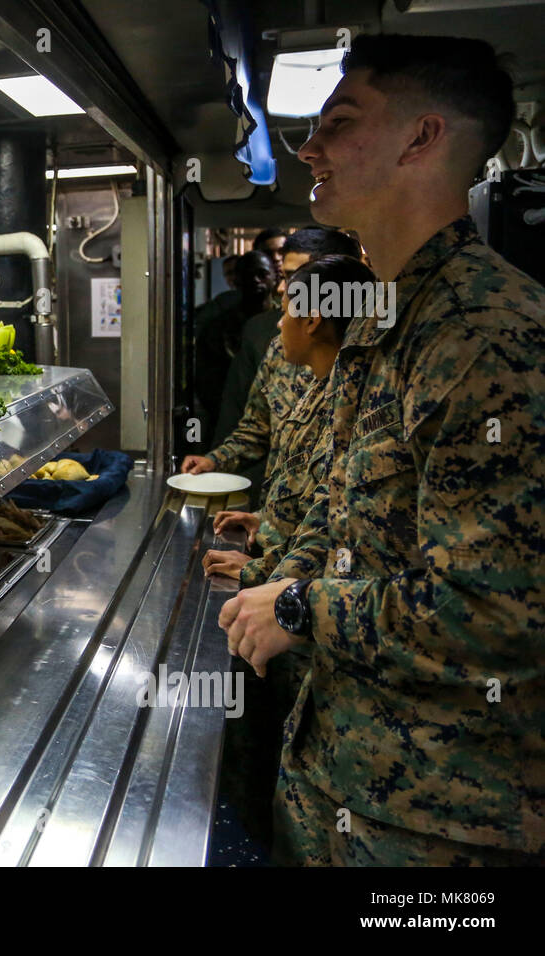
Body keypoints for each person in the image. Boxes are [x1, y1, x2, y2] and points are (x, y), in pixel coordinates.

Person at [219, 33, 545, 866]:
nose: (307, 147)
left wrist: (298, 605)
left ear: (421, 137)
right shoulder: (388, 319)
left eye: (339, 120)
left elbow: (499, 613)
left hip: (439, 825)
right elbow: (354, 520)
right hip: (342, 780)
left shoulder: (489, 334)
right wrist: (276, 571)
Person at [202, 254, 377, 854]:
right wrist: (264, 527)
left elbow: (339, 526)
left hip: (306, 630)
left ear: (319, 321)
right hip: (282, 587)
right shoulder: (322, 386)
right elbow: (304, 491)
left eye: (287, 311)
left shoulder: (357, 400)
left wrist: (259, 572)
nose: (276, 326)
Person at [189, 228, 362, 499]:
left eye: (296, 277)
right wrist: (215, 460)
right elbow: (256, 428)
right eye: (284, 277)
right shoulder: (280, 346)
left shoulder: (369, 369)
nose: (281, 288)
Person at [191, 249, 278, 448]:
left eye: (262, 274)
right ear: (236, 281)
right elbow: (207, 382)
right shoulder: (219, 326)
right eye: (248, 276)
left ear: (275, 276)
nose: (256, 280)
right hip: (232, 420)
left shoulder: (286, 322)